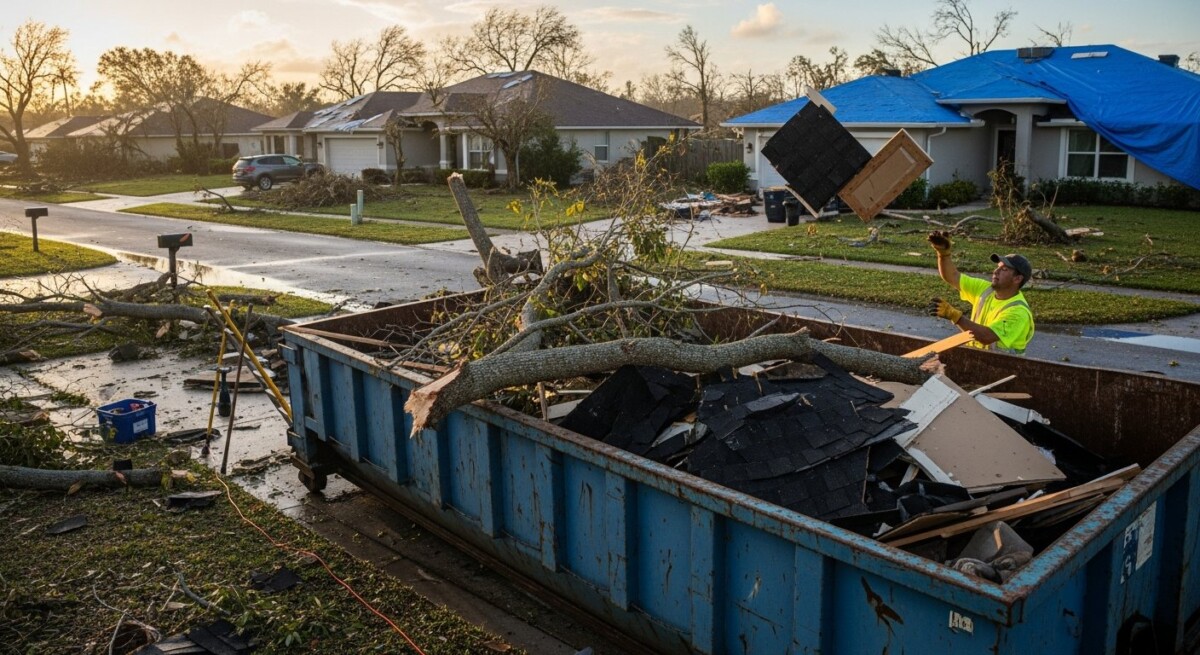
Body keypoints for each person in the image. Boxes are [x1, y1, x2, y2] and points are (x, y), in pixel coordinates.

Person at [926, 230, 1035, 355]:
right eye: (998, 267)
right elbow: (952, 276)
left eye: (1004, 269)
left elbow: (986, 337)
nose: (996, 271)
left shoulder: (1018, 312)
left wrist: (954, 315)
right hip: (978, 360)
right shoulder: (985, 289)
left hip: (1004, 368)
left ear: (1017, 279)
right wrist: (943, 255)